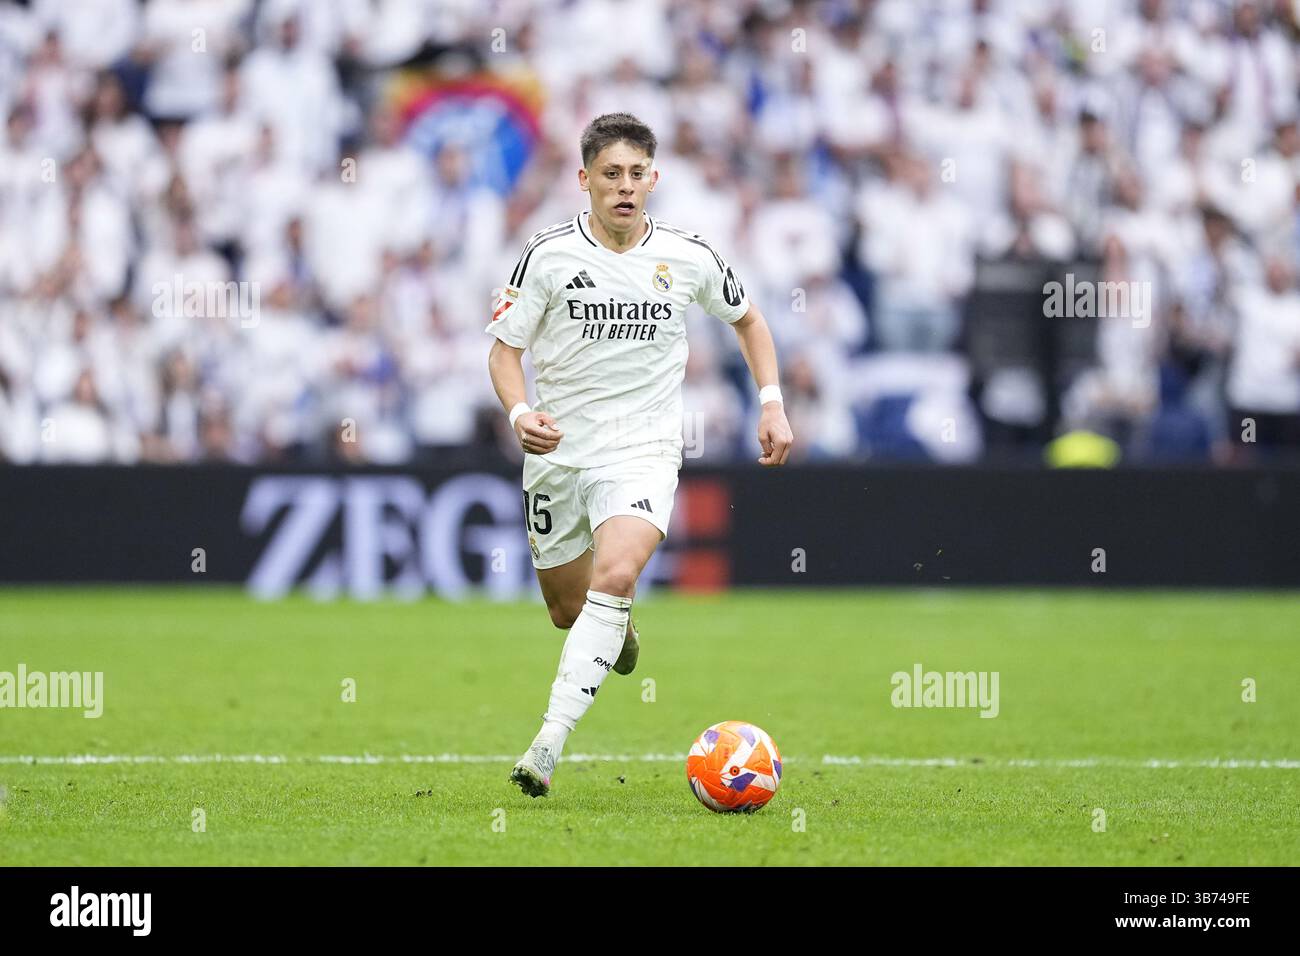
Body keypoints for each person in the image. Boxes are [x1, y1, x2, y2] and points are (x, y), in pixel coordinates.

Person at [485, 112, 793, 797]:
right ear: (584, 180)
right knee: (570, 611)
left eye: (636, 174)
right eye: (610, 174)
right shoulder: (548, 255)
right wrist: (518, 413)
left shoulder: (687, 256)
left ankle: (546, 744)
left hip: (644, 448)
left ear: (653, 178)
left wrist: (770, 401)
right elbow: (504, 351)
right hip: (559, 452)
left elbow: (748, 319)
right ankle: (614, 629)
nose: (625, 187)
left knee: (617, 573)